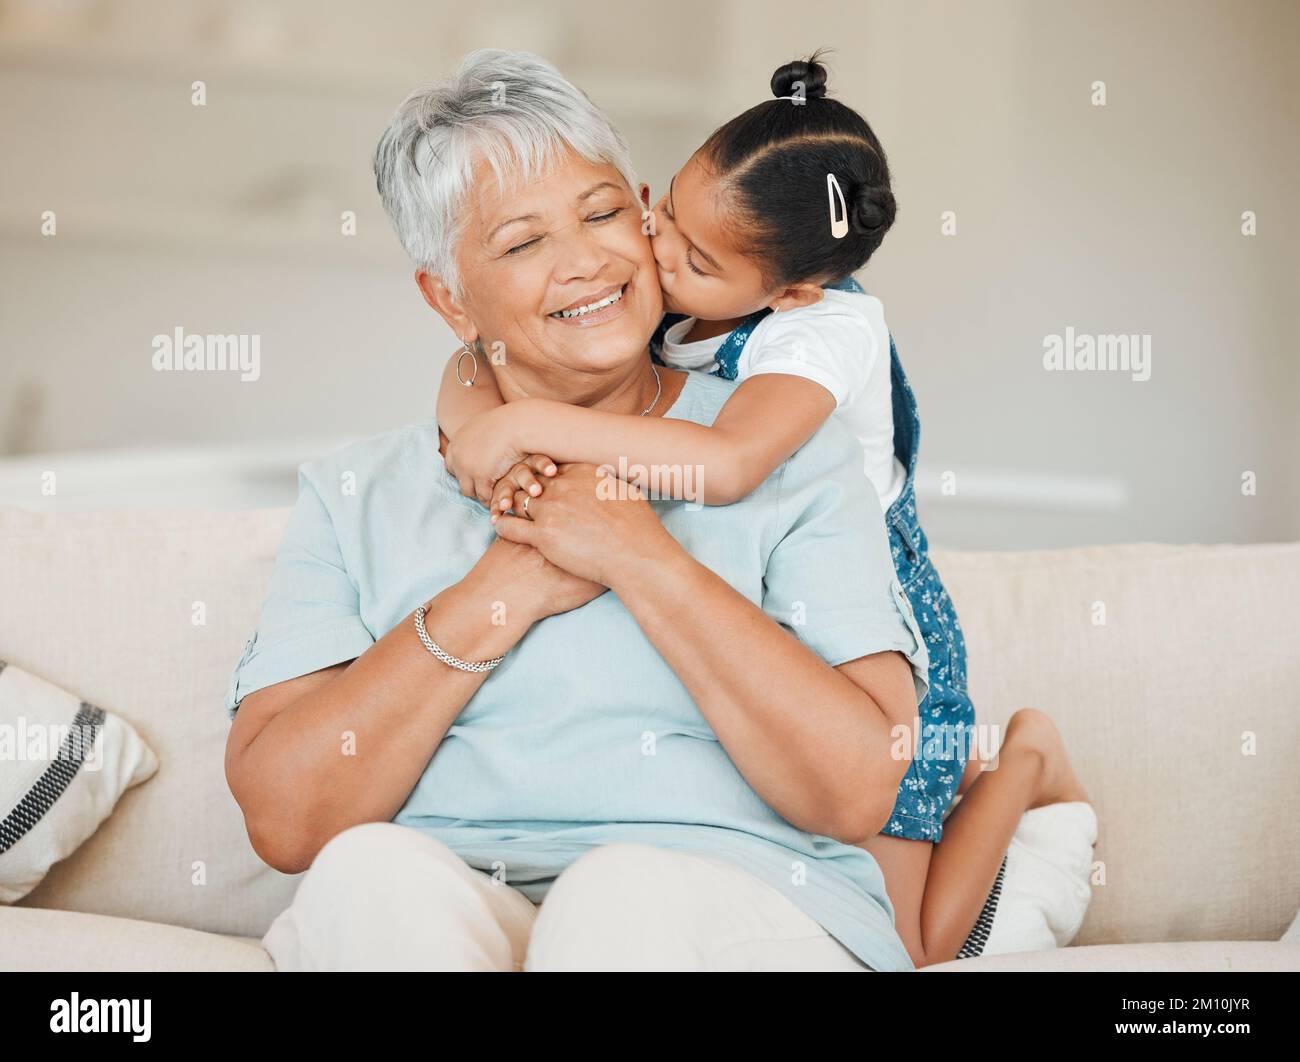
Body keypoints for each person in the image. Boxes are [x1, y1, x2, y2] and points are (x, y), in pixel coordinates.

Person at [221, 48, 933, 972]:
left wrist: (640, 556)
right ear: (449, 299)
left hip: (739, 894)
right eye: (521, 244)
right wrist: (498, 593)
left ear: (645, 213)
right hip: (457, 893)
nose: (585, 262)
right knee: (367, 876)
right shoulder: (356, 492)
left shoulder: (790, 446)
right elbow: (284, 821)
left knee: (618, 897)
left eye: (602, 215)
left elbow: (855, 791)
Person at [437, 52, 1093, 966]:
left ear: (789, 291)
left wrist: (534, 425)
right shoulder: (696, 267)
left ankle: (1027, 759)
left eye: (693, 258)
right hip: (761, 579)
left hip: (872, 612)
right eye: (662, 210)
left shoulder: (827, 330)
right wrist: (476, 442)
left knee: (912, 937)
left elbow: (729, 462)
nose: (654, 254)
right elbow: (475, 358)